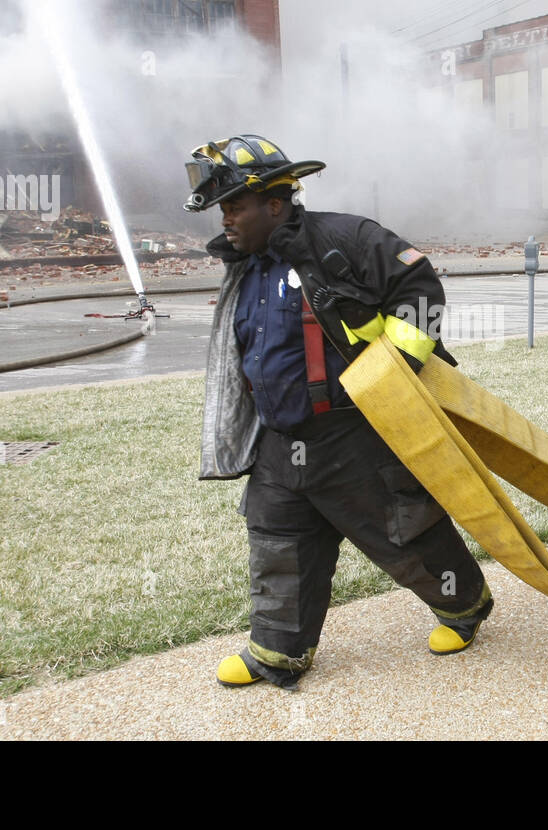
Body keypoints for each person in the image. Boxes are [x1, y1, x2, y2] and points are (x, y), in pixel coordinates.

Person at [186, 134, 492, 689]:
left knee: (400, 532)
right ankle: (278, 653)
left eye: (234, 205)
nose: (224, 219)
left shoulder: (345, 239)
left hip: (353, 430)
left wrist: (391, 373)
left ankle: (463, 604)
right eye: (221, 208)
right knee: (278, 541)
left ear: (274, 204)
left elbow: (420, 290)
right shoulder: (245, 268)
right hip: (279, 439)